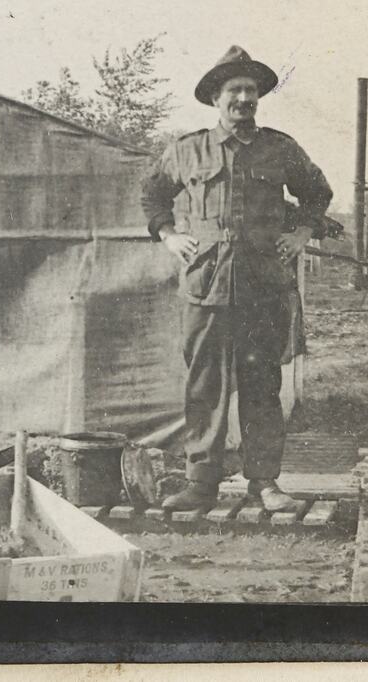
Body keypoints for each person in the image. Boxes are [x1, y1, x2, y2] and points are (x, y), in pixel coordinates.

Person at [141, 46, 334, 512]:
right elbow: (152, 194)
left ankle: (264, 483)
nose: (243, 98)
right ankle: (200, 483)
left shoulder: (280, 148)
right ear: (215, 98)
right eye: (234, 90)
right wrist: (169, 236)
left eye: (251, 90)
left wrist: (302, 234)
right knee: (204, 387)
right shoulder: (187, 150)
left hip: (263, 284)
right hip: (206, 284)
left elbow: (317, 192)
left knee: (261, 385)